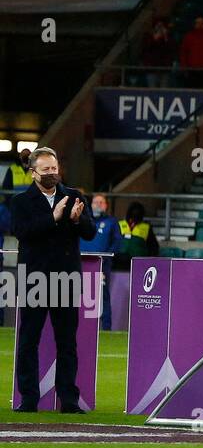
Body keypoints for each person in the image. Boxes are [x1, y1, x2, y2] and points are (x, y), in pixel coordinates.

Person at [11, 148, 95, 412]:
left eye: (54, 168)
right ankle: (29, 398)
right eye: (46, 169)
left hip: (66, 278)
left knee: (67, 342)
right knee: (28, 340)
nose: (52, 173)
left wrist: (77, 219)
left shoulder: (74, 197)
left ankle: (68, 399)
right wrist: (54, 218)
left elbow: (90, 233)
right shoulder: (20, 202)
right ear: (33, 172)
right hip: (34, 279)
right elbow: (22, 232)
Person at [79, 194, 123, 330]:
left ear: (106, 205)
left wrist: (106, 257)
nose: (98, 204)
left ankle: (106, 328)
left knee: (102, 296)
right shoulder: (83, 221)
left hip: (101, 265)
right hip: (80, 262)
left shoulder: (111, 222)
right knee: (78, 295)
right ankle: (80, 326)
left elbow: (117, 242)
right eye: (95, 202)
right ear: (90, 205)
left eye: (101, 202)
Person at [139, 19, 175, 87]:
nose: (160, 28)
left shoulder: (169, 37)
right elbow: (145, 49)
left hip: (165, 69)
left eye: (161, 26)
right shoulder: (147, 36)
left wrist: (166, 37)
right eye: (158, 26)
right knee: (152, 90)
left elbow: (172, 49)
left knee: (164, 91)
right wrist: (154, 39)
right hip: (152, 68)